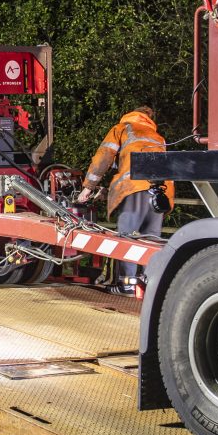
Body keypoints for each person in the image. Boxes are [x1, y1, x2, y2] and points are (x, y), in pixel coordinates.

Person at [75, 106, 175, 294]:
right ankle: (148, 286)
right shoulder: (157, 136)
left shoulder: (123, 129)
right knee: (151, 240)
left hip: (134, 188)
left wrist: (87, 188)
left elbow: (103, 158)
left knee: (126, 237)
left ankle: (126, 285)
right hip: (160, 193)